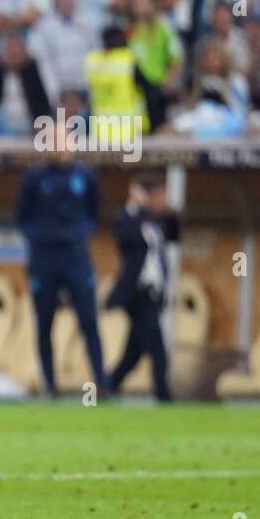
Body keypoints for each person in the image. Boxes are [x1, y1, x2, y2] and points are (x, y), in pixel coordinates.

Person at [15, 138, 106, 398]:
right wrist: (40, 237)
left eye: (65, 142)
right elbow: (22, 216)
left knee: (88, 319)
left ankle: (101, 382)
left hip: (76, 257)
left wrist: (78, 235)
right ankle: (50, 385)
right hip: (44, 258)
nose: (60, 148)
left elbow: (93, 212)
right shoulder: (34, 177)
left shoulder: (85, 175)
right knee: (44, 322)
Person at [106, 171, 179, 402]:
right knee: (158, 350)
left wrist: (168, 210)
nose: (162, 199)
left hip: (154, 293)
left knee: (133, 353)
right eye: (158, 195)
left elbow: (175, 235)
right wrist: (136, 204)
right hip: (137, 293)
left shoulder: (154, 221)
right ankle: (164, 397)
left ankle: (108, 385)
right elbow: (125, 240)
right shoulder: (128, 218)